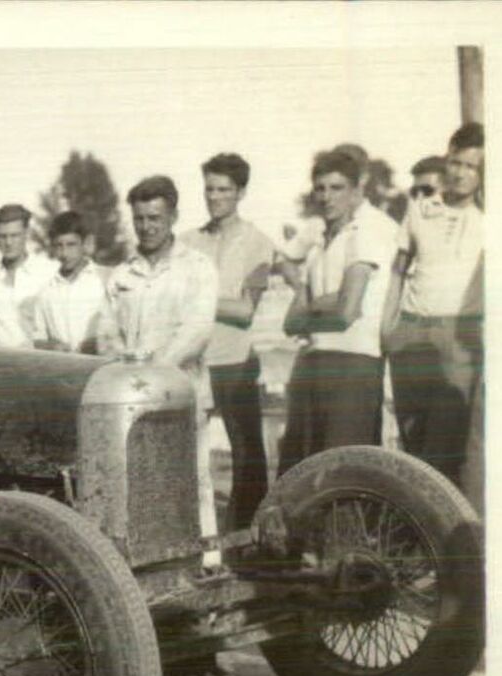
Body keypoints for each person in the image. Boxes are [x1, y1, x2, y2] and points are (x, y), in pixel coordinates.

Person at [103, 176, 220, 554]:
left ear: (173, 217)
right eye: (139, 218)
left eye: (155, 217)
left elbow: (197, 330)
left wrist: (155, 372)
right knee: (140, 484)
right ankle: (150, 564)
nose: (147, 226)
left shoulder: (198, 267)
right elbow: (108, 334)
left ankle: (208, 562)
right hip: (133, 401)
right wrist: (127, 368)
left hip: (181, 393)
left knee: (193, 481)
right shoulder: (122, 275)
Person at [275, 150, 398, 475]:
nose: (327, 196)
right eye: (321, 188)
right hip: (315, 360)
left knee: (344, 471)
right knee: (300, 468)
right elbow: (290, 324)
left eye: (337, 187)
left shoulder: (366, 232)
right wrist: (311, 297)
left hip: (353, 363)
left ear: (357, 191)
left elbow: (346, 311)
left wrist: (309, 305)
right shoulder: (320, 239)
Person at [381, 122, 484, 503]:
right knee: (412, 437)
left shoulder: (491, 218)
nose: (460, 173)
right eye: (456, 162)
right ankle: (414, 538)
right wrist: (387, 331)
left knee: (450, 439)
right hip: (410, 329)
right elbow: (397, 271)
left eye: (472, 167)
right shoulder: (421, 209)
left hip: (459, 335)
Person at [179, 153, 277, 532]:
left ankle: (249, 537)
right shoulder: (187, 242)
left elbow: (244, 311)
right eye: (209, 189)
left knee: (247, 454)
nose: (215, 197)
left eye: (224, 189)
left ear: (241, 192)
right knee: (186, 453)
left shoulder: (258, 243)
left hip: (235, 361)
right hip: (194, 362)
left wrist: (201, 301)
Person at [0, 203, 58, 349]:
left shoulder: (48, 272)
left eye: (14, 235)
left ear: (26, 233)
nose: (8, 242)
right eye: (2, 236)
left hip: (39, 364)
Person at [31, 211, 109, 354]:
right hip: (63, 370)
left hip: (100, 367)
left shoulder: (105, 280)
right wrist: (51, 346)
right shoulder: (46, 291)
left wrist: (97, 342)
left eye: (71, 245)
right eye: (59, 246)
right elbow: (38, 338)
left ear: (85, 244)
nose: (64, 253)